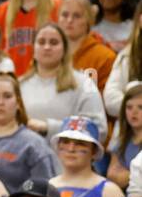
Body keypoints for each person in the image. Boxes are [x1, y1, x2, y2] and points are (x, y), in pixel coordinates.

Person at [19, 23, 108, 153]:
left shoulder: (84, 84)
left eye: (54, 42)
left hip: (68, 163)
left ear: (65, 49)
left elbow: (98, 129)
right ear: (33, 49)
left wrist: (49, 128)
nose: (47, 47)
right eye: (41, 42)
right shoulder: (19, 84)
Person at [0, 73, 58, 196]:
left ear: (18, 102)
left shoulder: (34, 144)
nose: (0, 102)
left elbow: (45, 194)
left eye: (7, 96)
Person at [60, 0, 116, 91]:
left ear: (89, 20)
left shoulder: (105, 57)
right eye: (65, 15)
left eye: (77, 16)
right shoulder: (47, 52)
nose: (69, 20)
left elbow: (106, 99)